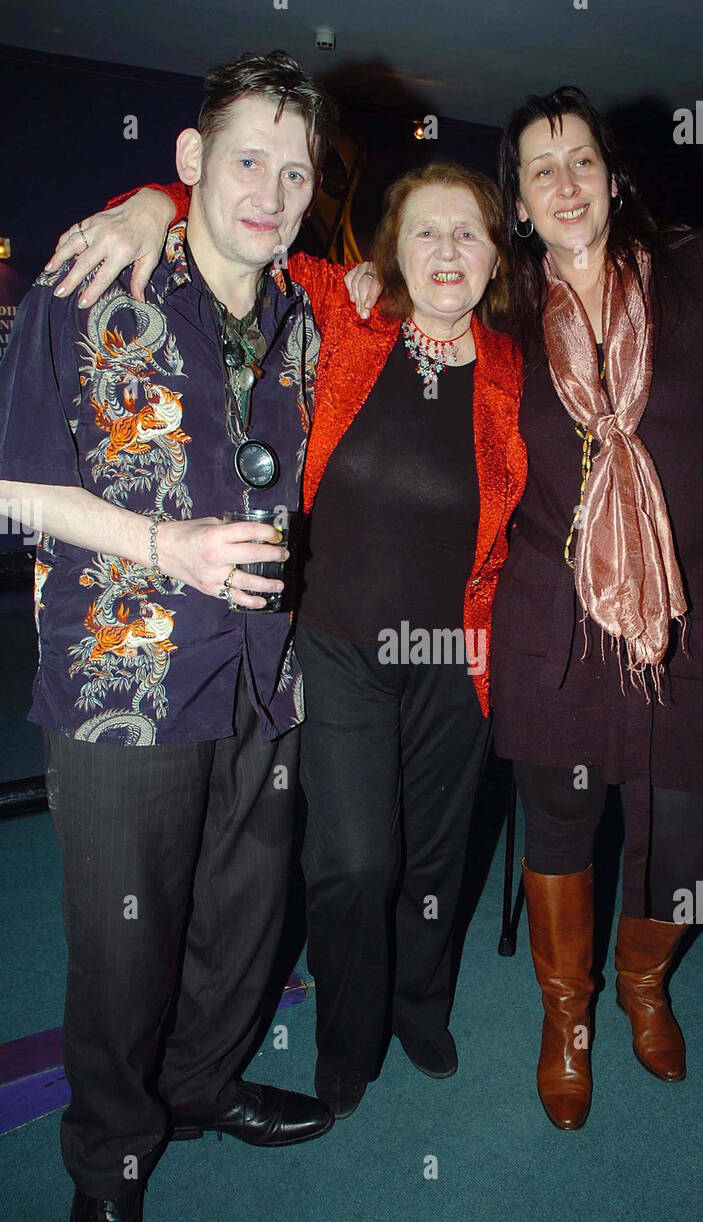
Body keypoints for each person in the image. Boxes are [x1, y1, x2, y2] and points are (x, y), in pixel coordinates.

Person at [54, 161, 528, 1119]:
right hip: (338, 643)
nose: (446, 251)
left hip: (458, 652)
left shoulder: (516, 367)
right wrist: (151, 203)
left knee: (435, 856)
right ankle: (349, 1036)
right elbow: (243, 227)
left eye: (468, 233)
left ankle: (419, 1003)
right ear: (388, 249)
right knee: (355, 858)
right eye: (425, 231)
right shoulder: (342, 313)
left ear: (492, 257)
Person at [0, 51, 338, 1222]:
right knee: (122, 944)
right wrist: (166, 547)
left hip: (264, 671)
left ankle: (201, 1082)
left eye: (296, 169)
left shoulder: (303, 313)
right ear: (189, 163)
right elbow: (12, 483)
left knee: (244, 918)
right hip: (123, 674)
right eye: (247, 157)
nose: (273, 187)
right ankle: (107, 1163)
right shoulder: (89, 281)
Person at [489, 87, 703, 1129]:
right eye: (542, 170)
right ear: (520, 203)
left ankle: (641, 984)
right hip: (554, 603)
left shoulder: (695, 269)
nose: (565, 184)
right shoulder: (501, 300)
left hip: (697, 594)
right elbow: (385, 289)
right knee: (563, 816)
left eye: (580, 160)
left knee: (684, 818)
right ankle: (566, 1014)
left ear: (613, 177)